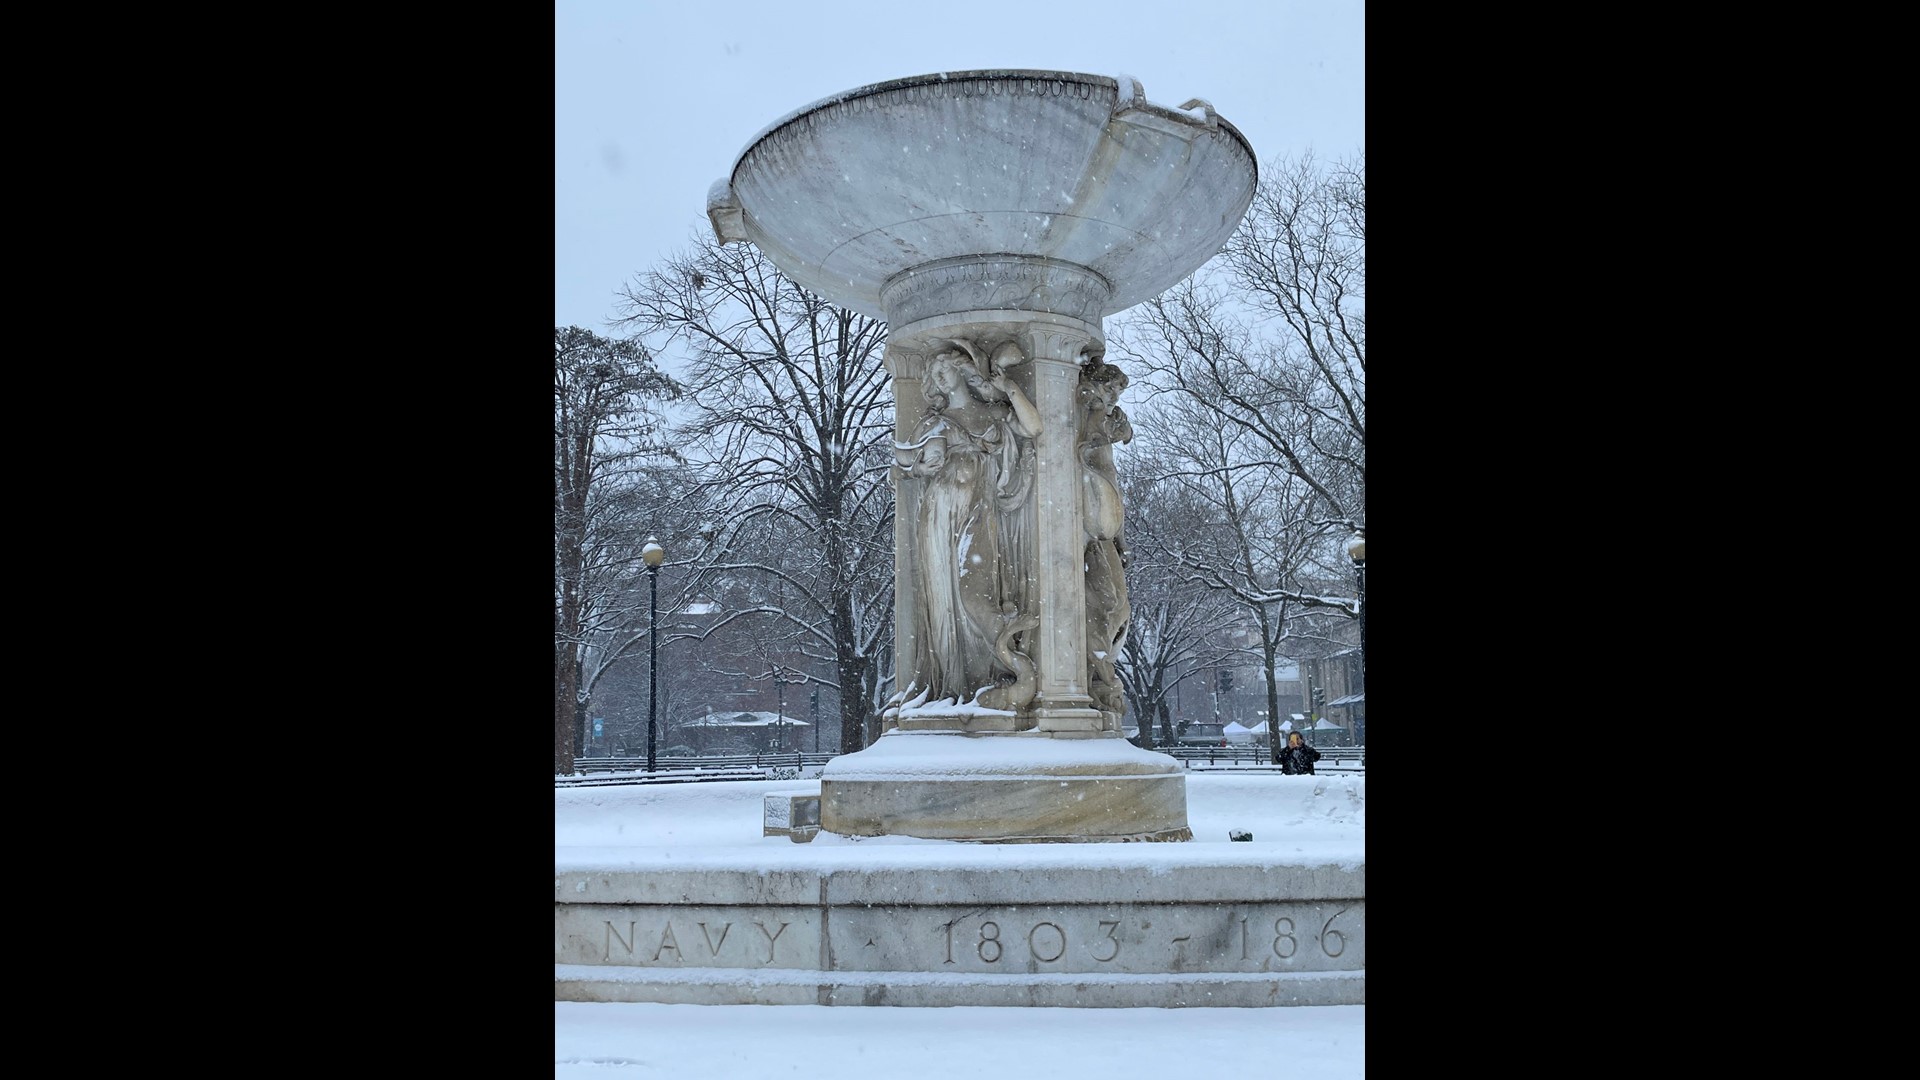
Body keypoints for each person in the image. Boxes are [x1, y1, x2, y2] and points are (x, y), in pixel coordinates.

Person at [896, 337, 1042, 711]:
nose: (939, 378)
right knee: (942, 594)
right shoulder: (933, 423)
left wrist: (1009, 387)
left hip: (979, 509)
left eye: (944, 369)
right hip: (938, 514)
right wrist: (919, 467)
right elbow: (903, 468)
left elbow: (1033, 427)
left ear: (962, 370)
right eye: (934, 374)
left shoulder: (993, 414)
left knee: (972, 590)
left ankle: (998, 668)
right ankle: (954, 682)